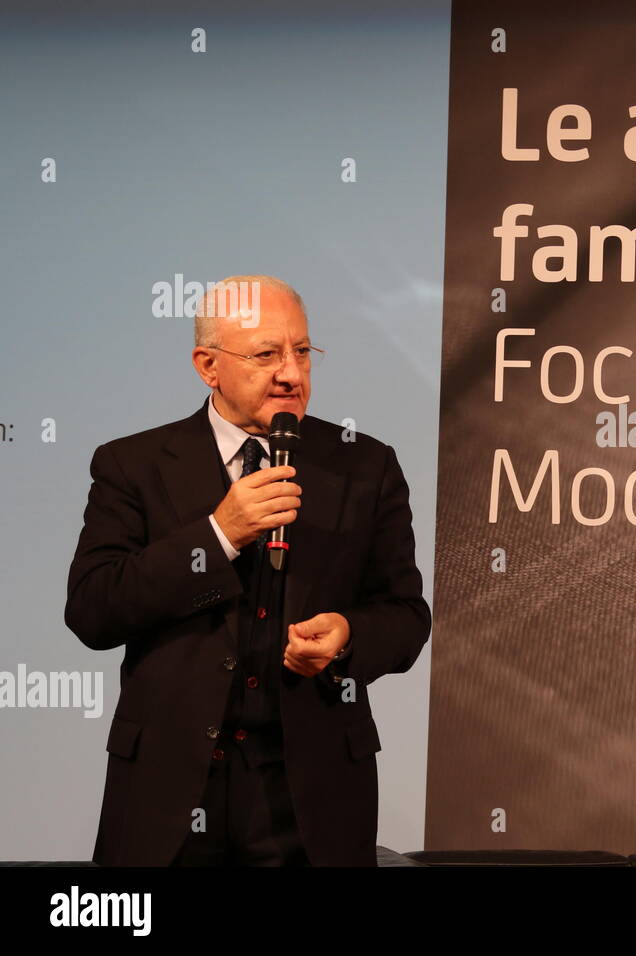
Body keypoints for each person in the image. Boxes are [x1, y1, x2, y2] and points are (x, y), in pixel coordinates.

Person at [64, 274, 431, 866]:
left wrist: (347, 638)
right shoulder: (132, 464)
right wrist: (218, 536)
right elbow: (92, 609)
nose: (291, 372)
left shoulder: (366, 466)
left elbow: (406, 616)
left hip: (310, 798)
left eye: (303, 352)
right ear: (208, 365)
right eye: (266, 355)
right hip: (168, 794)